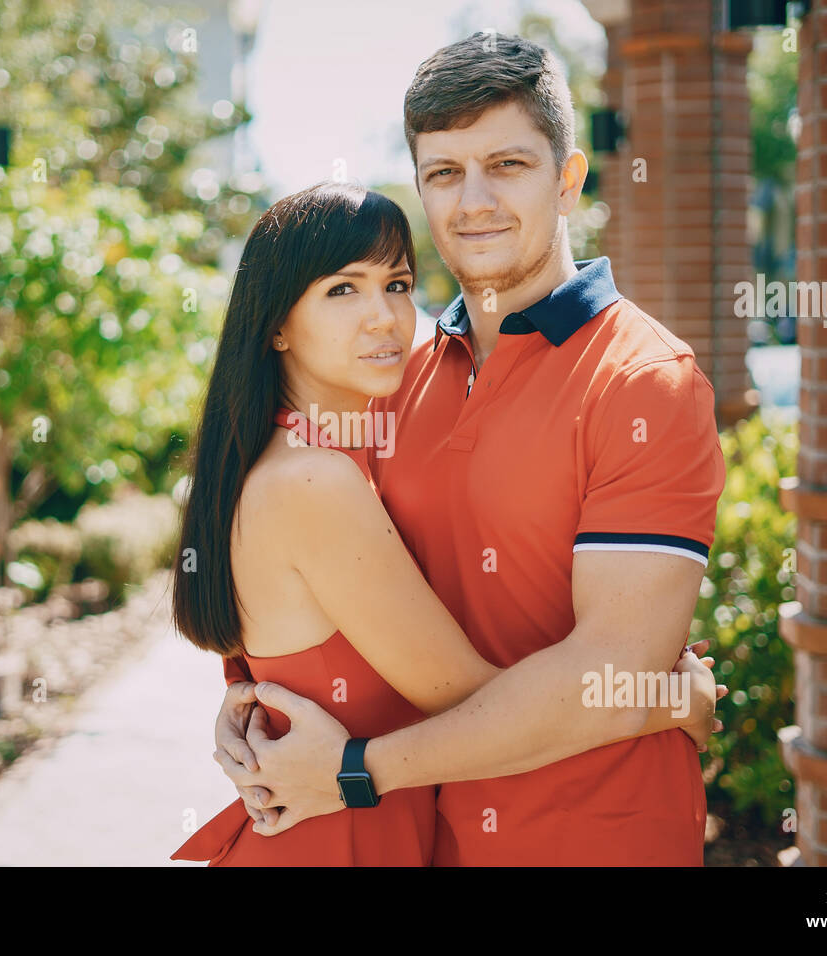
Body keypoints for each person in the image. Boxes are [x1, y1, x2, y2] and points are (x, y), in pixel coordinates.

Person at [211, 33, 729, 866]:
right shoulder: (401, 375)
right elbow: (300, 560)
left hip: (595, 834)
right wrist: (255, 697)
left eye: (507, 165)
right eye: (444, 173)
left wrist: (353, 772)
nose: (472, 200)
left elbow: (610, 668)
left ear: (569, 178)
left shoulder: (643, 382)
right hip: (428, 832)